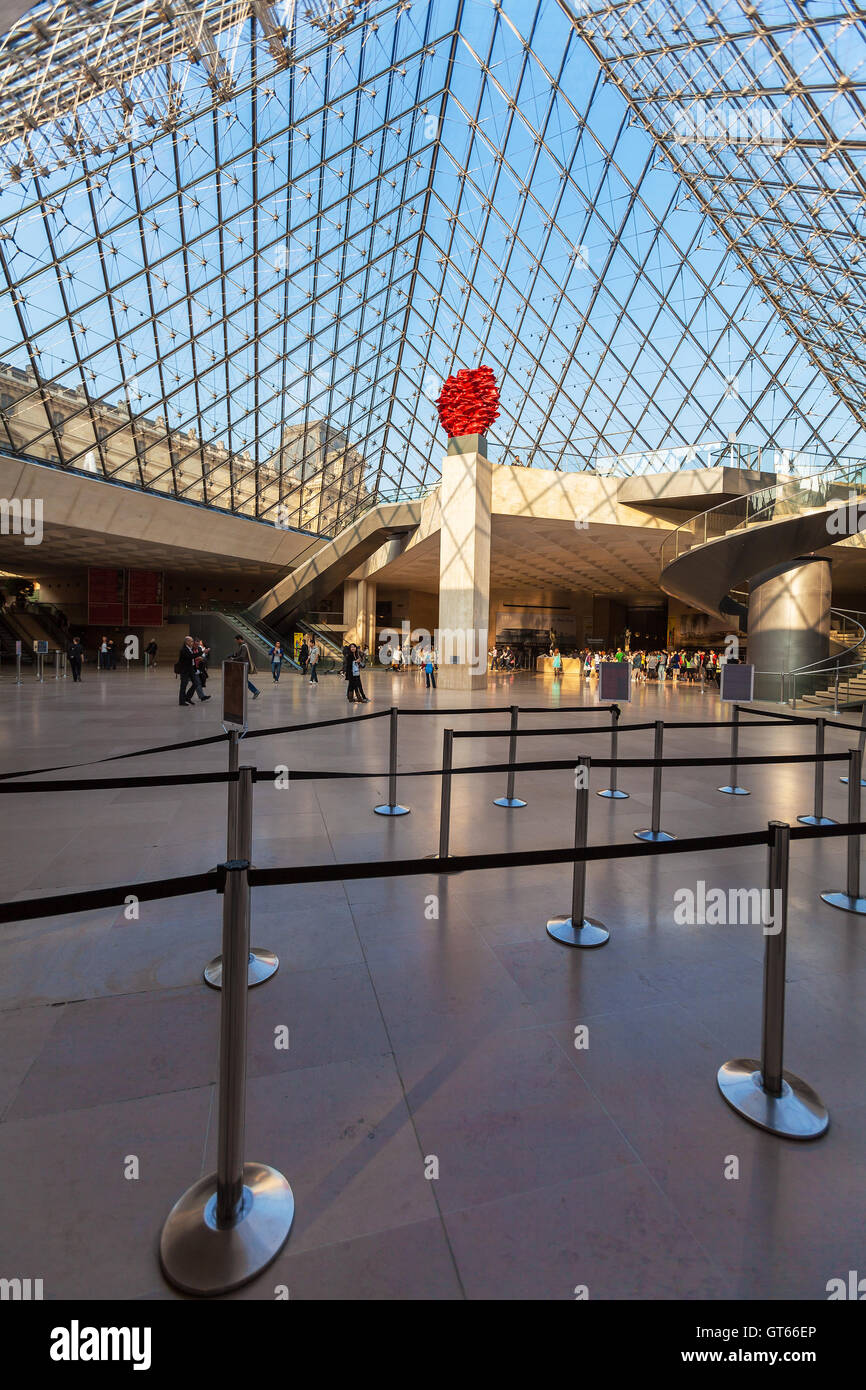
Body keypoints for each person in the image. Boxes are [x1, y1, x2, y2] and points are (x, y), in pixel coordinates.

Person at [176, 636, 210, 705]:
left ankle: (188, 698)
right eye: (191, 641)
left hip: (191, 669)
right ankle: (182, 701)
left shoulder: (190, 649)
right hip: (185, 670)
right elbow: (191, 656)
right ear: (187, 642)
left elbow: (193, 658)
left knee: (196, 683)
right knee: (183, 686)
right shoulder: (184, 649)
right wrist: (202, 652)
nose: (192, 643)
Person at [232, 634, 260, 699]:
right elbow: (238, 654)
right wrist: (233, 655)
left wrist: (234, 659)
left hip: (244, 666)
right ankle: (253, 691)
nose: (236, 642)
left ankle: (255, 691)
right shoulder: (243, 645)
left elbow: (242, 656)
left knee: (243, 680)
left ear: (239, 639)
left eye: (236, 640)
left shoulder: (243, 646)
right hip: (243, 665)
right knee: (243, 680)